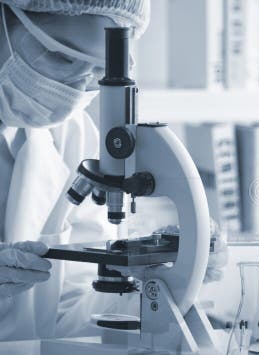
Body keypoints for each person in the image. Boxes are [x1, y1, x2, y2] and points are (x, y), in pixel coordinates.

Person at [0, 0, 150, 340]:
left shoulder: (71, 135)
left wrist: (157, 283)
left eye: (96, 72)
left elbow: (67, 315)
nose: (73, 91)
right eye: (62, 57)